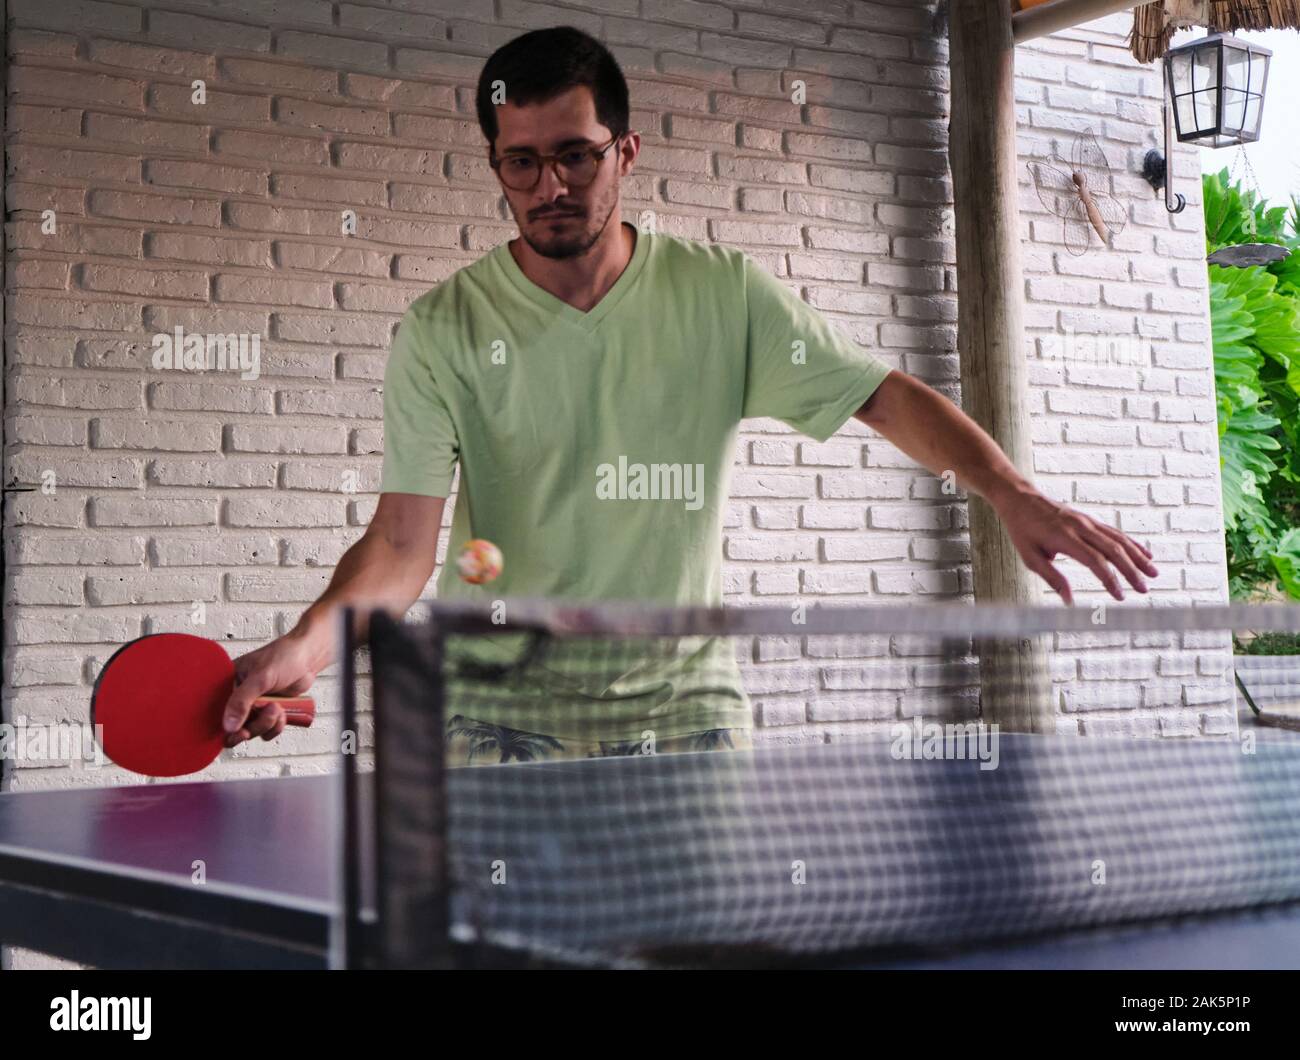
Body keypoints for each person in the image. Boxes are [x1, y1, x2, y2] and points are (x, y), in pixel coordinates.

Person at [221, 26, 1157, 760]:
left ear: (626, 152)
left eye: (577, 155)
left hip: (685, 717)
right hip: (496, 716)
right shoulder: (443, 330)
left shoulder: (723, 295)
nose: (551, 185)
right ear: (496, 166)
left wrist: (1009, 489)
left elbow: (881, 395)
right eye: (522, 162)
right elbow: (397, 549)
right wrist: (298, 654)